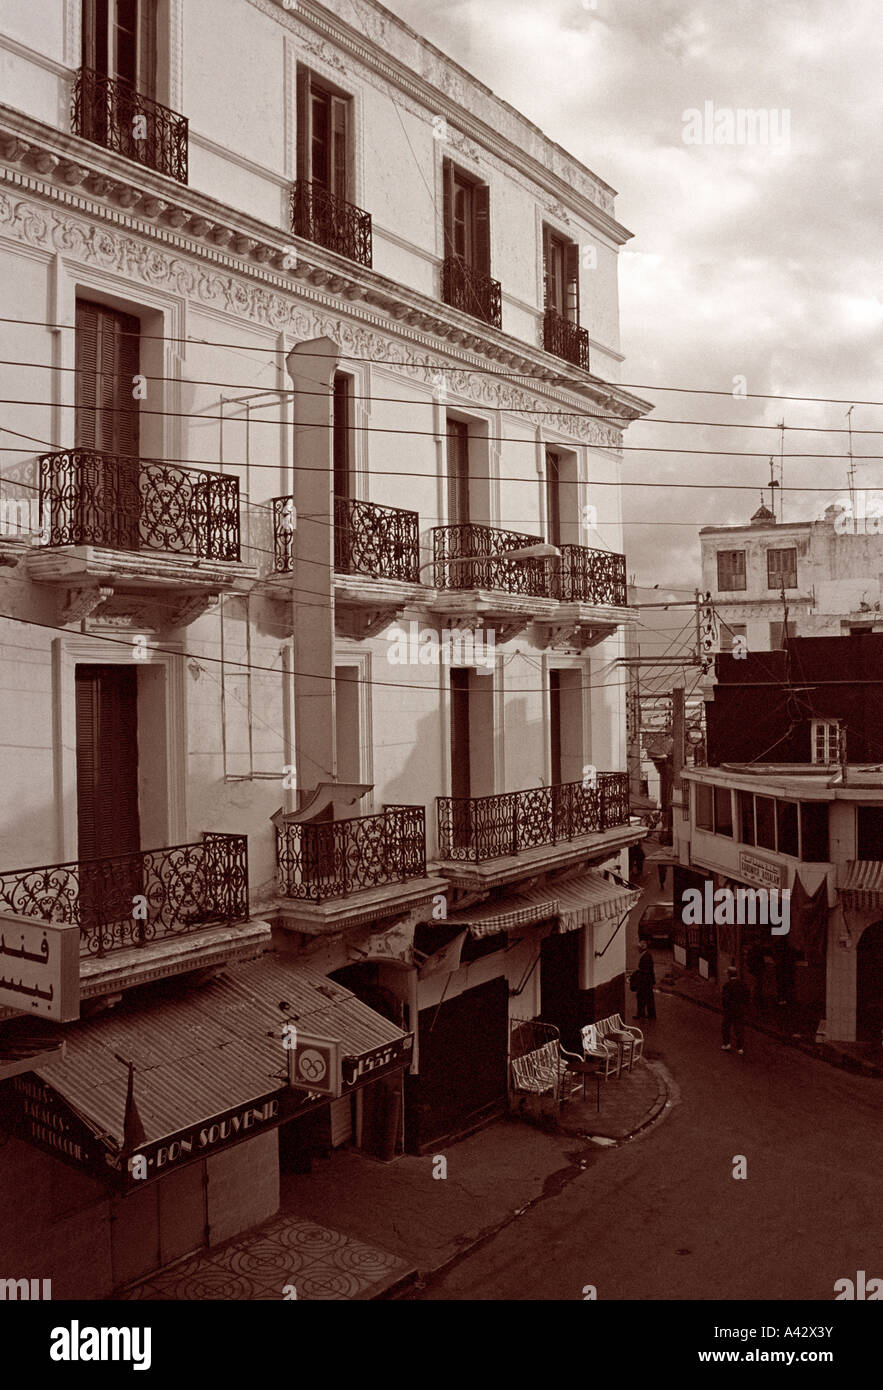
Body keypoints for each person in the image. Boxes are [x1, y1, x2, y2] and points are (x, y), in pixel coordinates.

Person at [721, 966, 749, 1054]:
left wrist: (725, 1008)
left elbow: (725, 999)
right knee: (739, 1028)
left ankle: (727, 1044)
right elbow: (747, 996)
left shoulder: (727, 985)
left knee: (726, 1027)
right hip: (740, 1009)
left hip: (730, 1010)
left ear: (729, 975)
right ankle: (740, 1047)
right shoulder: (743, 984)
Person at [635, 942, 656, 1021]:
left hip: (645, 981)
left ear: (642, 948)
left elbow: (646, 969)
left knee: (642, 997)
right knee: (647, 998)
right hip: (647, 980)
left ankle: (643, 1014)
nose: (638, 950)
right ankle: (647, 1014)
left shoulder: (646, 956)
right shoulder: (647, 955)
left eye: (639, 948)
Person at [746, 943, 766, 1010]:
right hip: (758, 970)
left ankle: (754, 999)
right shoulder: (759, 951)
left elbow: (748, 961)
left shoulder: (751, 951)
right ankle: (756, 999)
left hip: (753, 970)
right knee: (757, 985)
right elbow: (761, 961)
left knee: (754, 985)